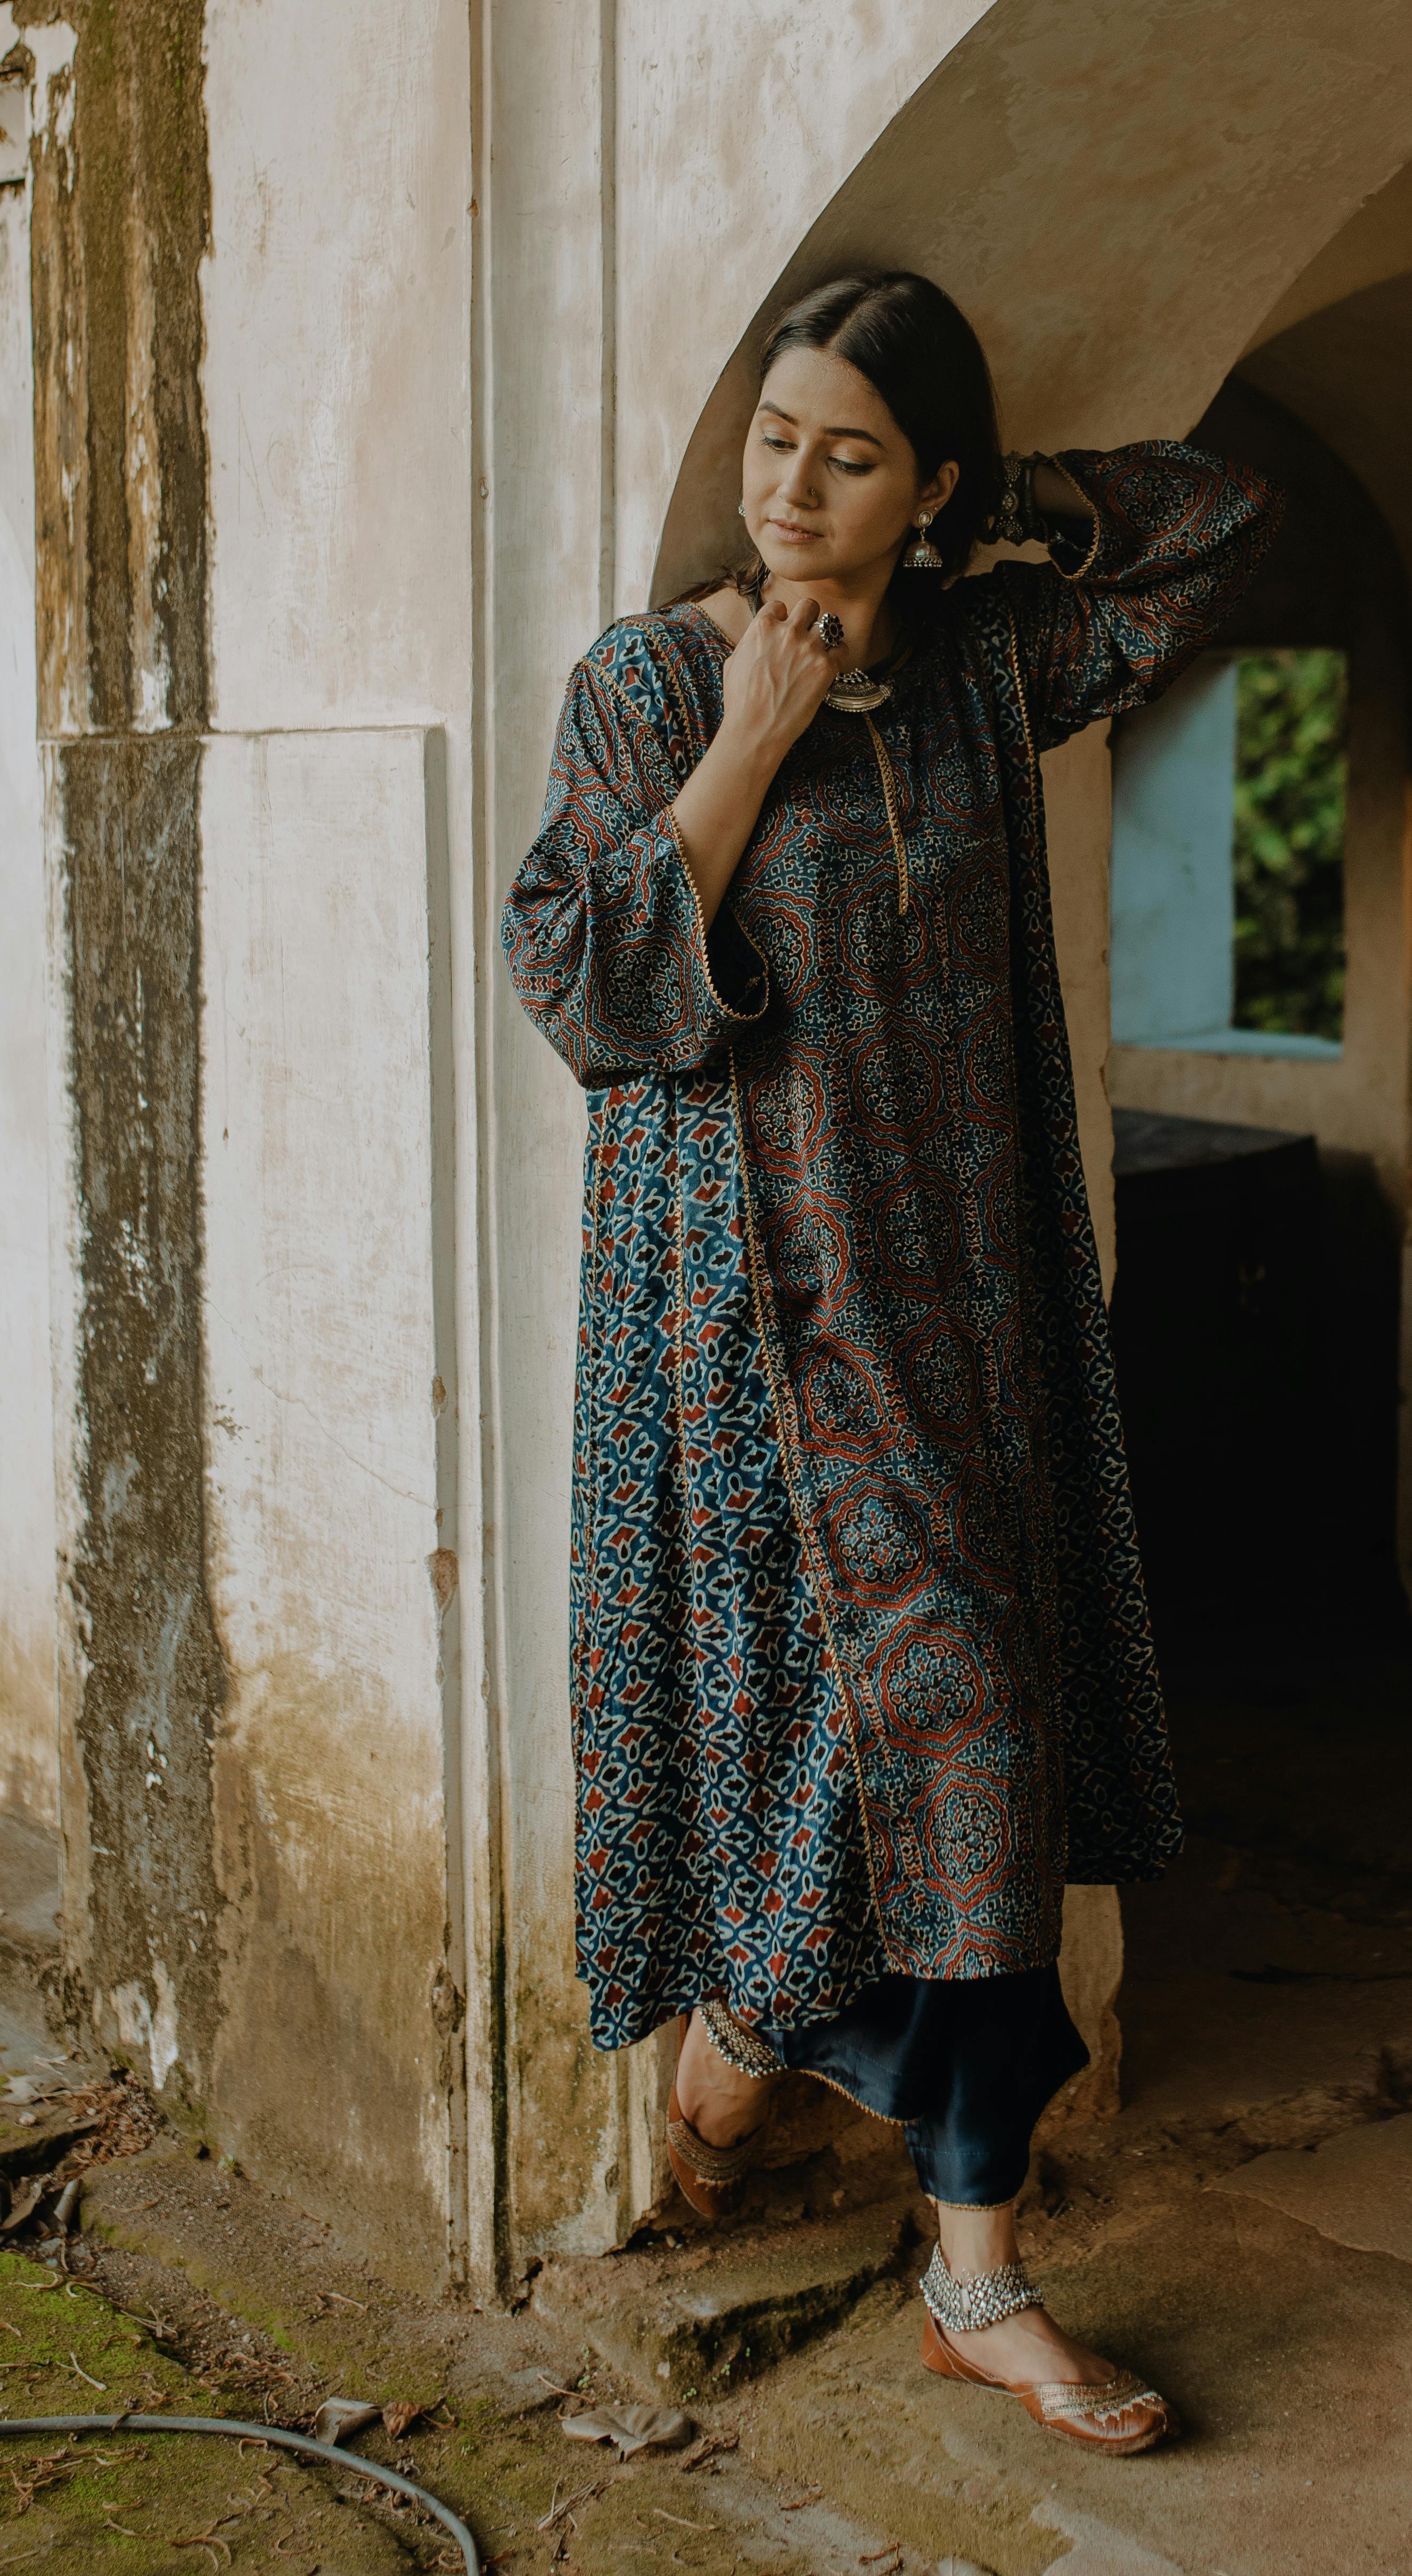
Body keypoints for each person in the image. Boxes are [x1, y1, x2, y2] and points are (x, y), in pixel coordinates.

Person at [502, 268, 1276, 2452]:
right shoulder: (647, 681)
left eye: (850, 453)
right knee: (829, 1760)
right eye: (773, 440)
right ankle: (740, 2054)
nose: (791, 486)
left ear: (919, 483)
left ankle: (973, 2268)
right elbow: (578, 984)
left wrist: (1005, 505)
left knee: (977, 1757)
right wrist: (753, 732)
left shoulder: (981, 674)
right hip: (740, 1339)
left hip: (958, 1328)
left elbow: (1223, 524)